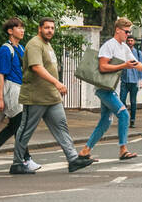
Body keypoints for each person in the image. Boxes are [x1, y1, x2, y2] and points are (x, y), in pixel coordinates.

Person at [11, 18, 86, 174]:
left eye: (52, 28)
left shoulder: (47, 45)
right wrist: (57, 83)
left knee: (61, 126)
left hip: (51, 97)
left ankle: (73, 159)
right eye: (47, 28)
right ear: (40, 29)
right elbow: (37, 67)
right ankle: (17, 163)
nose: (50, 30)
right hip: (36, 96)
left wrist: (55, 86)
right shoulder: (34, 45)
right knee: (26, 130)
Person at [76, 17, 142, 163]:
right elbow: (103, 67)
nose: (128, 35)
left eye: (129, 32)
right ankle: (123, 150)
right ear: (118, 30)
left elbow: (134, 63)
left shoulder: (124, 47)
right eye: (126, 31)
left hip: (112, 88)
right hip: (104, 89)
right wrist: (123, 66)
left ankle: (85, 151)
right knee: (124, 114)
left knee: (105, 122)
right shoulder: (108, 46)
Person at [0, 17, 38, 172]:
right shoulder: (5, 49)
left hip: (20, 89)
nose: (22, 30)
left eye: (23, 28)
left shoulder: (21, 49)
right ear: (10, 31)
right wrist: (0, 98)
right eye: (19, 28)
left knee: (15, 126)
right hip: (11, 90)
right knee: (19, 126)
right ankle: (26, 159)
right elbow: (1, 75)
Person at [120, 34, 142, 128]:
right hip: (124, 80)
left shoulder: (138, 53)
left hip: (134, 81)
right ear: (126, 42)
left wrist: (141, 80)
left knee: (133, 102)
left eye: (131, 41)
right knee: (121, 101)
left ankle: (132, 120)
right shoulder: (123, 52)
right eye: (128, 41)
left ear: (134, 42)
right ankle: (124, 118)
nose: (130, 42)